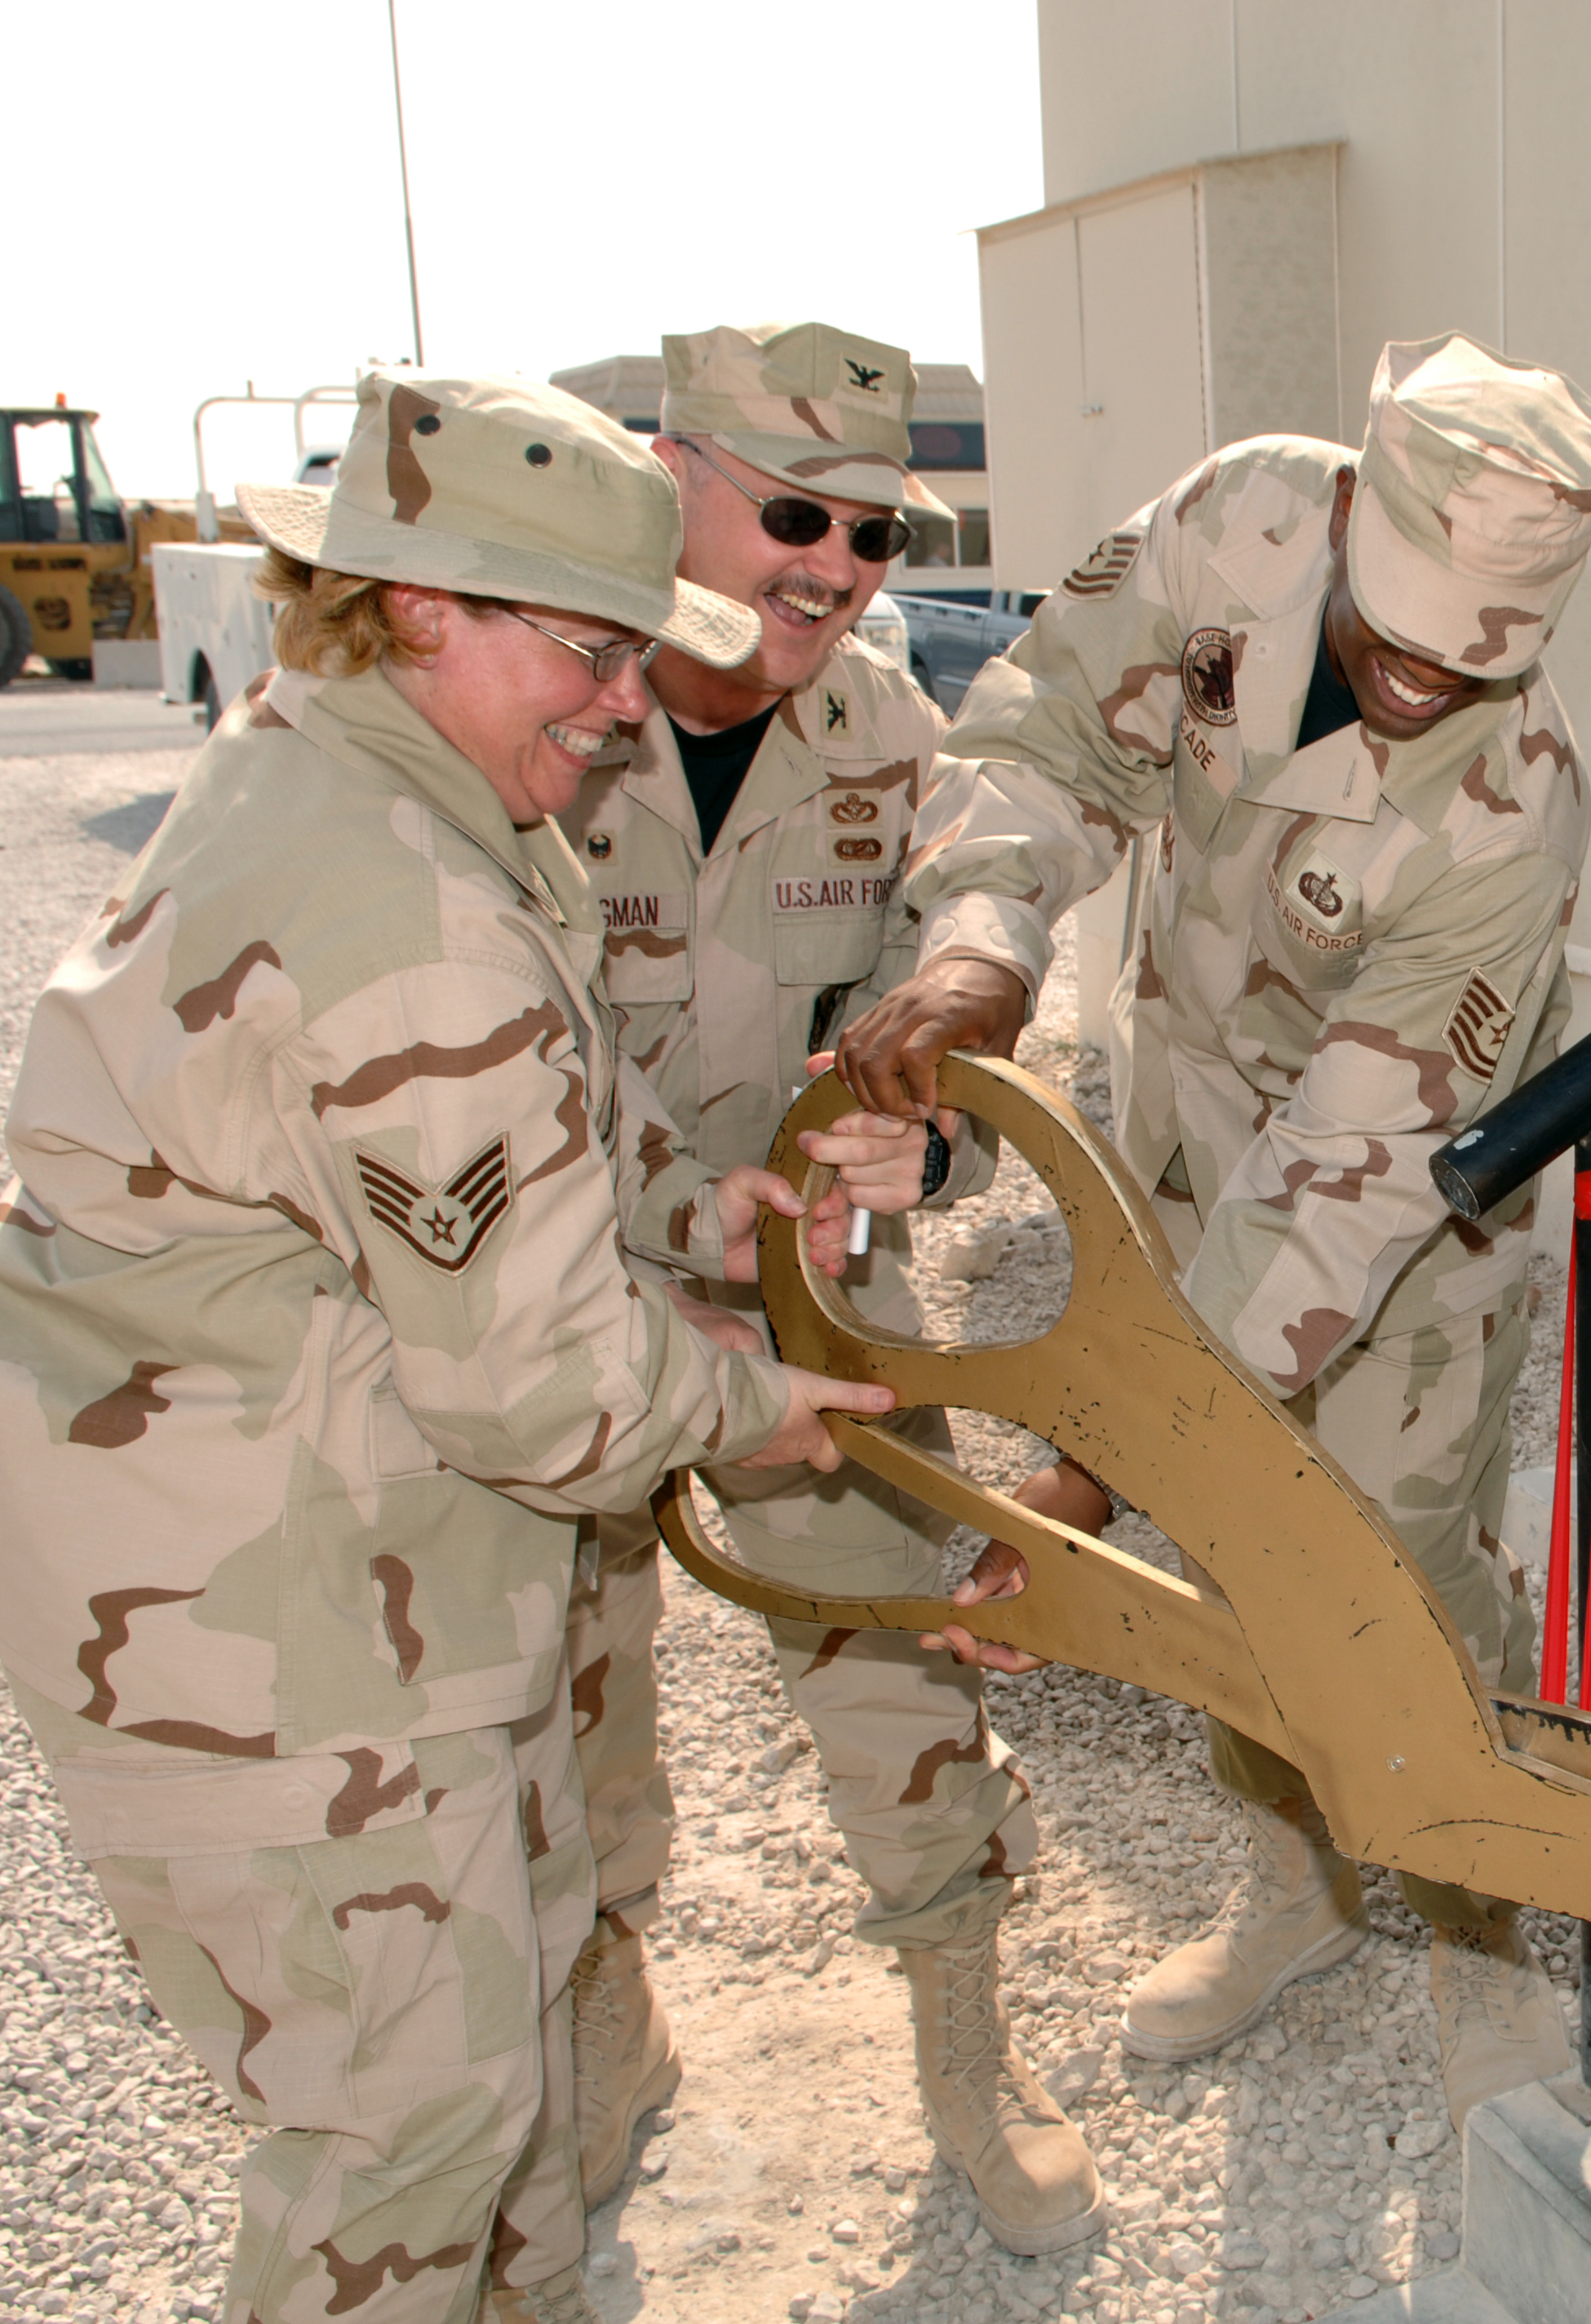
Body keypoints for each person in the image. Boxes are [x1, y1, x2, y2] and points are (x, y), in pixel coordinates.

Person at [0, 370, 907, 2324]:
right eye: (584, 651)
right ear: (416, 605)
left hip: (372, 1575)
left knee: (516, 2063)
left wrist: (687, 1204)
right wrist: (766, 1401)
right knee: (398, 2158)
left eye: (635, 654)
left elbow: (526, 1101)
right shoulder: (405, 895)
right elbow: (554, 1395)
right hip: (272, 1643)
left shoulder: (376, 774)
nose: (623, 702)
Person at [836, 332, 1591, 2128]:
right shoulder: (1239, 522)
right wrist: (982, 944)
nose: (1423, 691)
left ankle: (1469, 1919)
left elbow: (1343, 1183)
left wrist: (1099, 1466)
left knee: (1391, 1567)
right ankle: (1296, 1885)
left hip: (1403, 1203)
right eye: (1393, 646)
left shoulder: (1516, 809)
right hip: (1186, 1112)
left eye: (1469, 667)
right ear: (1348, 513)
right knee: (1236, 1576)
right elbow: (1048, 729)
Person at [553, 321, 1101, 2251]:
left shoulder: (879, 726)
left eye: (876, 534)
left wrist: (920, 1147)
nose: (836, 567)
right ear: (661, 472)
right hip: (544, 1311)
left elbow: (927, 1005)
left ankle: (968, 2044)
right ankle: (603, 2030)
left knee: (905, 1663)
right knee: (553, 1705)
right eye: (796, 512)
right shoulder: (542, 696)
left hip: (807, 1289)